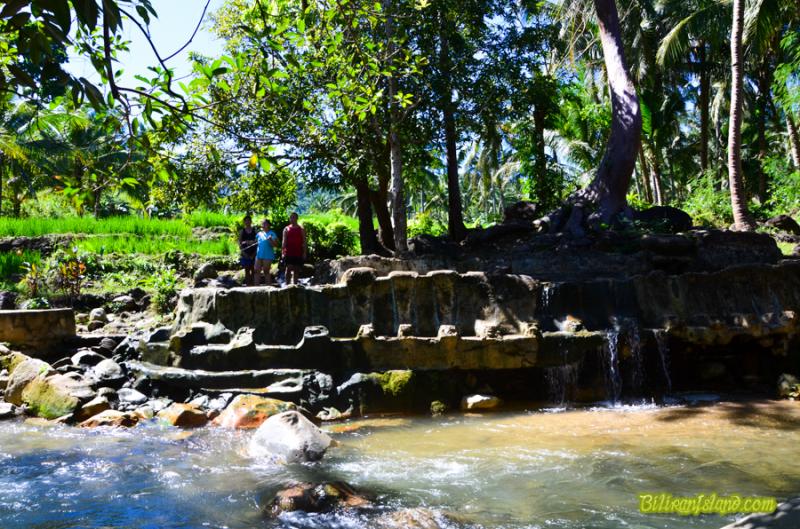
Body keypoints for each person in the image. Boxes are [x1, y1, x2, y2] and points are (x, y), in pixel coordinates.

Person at [282, 211, 307, 285]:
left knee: (296, 269)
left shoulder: (301, 229)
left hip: (298, 251)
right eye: (291, 217)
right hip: (289, 252)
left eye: (294, 217)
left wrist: (304, 253)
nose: (292, 219)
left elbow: (304, 241)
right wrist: (283, 252)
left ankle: (295, 285)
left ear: (297, 218)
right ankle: (287, 284)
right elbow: (284, 241)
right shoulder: (286, 229)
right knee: (288, 268)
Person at [254, 219, 279, 286]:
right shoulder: (259, 234)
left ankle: (268, 287)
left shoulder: (272, 233)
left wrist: (270, 239)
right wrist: (248, 242)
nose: (263, 225)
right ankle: (256, 287)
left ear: (269, 225)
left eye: (265, 224)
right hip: (259, 255)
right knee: (256, 271)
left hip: (268, 255)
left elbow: (276, 245)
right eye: (263, 224)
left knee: (266, 271)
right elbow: (255, 242)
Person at [238, 215, 257, 286]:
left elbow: (257, 242)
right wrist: (243, 253)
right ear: (244, 222)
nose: (247, 222)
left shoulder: (255, 230)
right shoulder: (242, 231)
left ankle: (253, 284)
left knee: (254, 270)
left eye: (249, 220)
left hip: (254, 253)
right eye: (246, 221)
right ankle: (248, 284)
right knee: (247, 270)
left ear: (251, 221)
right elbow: (240, 244)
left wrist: (254, 254)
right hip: (245, 253)